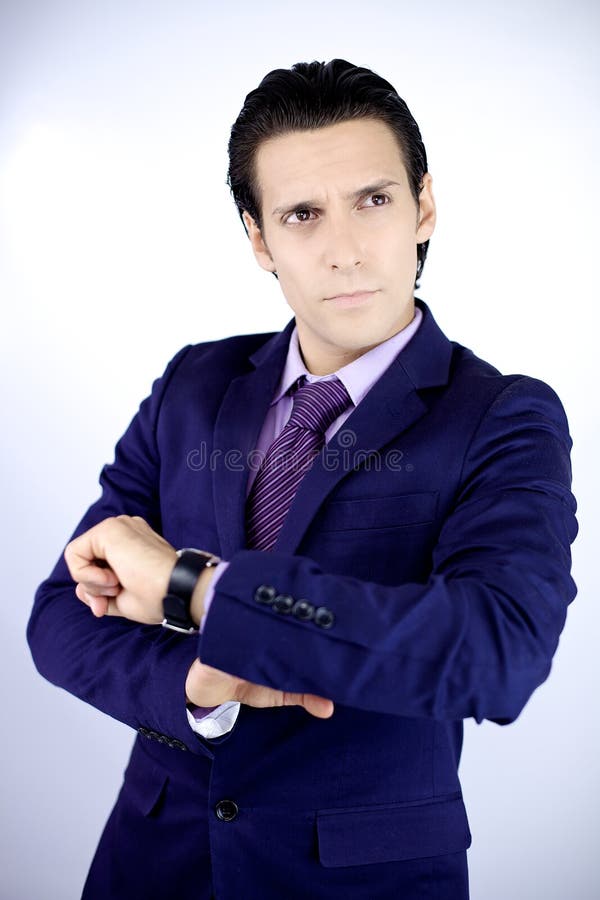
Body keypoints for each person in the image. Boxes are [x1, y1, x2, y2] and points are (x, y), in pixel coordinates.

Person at [27, 58, 578, 900]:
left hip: (362, 879)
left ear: (424, 205)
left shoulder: (502, 416)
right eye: (302, 214)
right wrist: (191, 688)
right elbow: (64, 610)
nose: (346, 249)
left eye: (374, 200)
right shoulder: (194, 385)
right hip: (155, 865)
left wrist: (199, 591)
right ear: (259, 239)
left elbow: (499, 653)